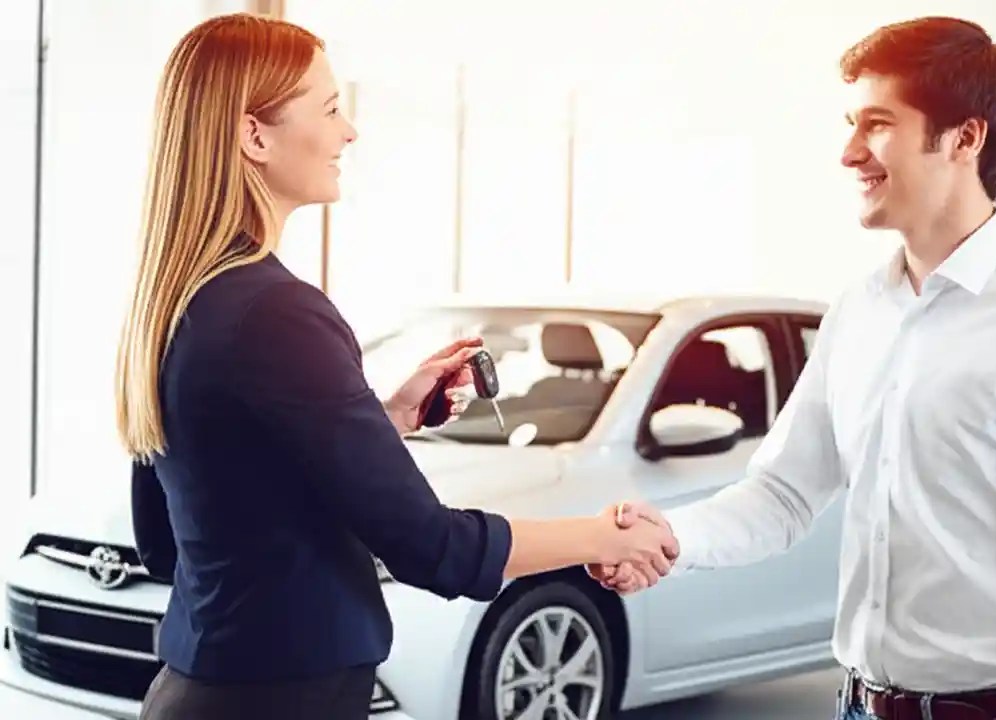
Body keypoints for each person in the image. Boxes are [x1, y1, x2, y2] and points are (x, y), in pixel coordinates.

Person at [114, 14, 676, 720]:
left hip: (196, 690)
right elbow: (430, 547)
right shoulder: (278, 313)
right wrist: (600, 535)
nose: (349, 131)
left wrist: (383, 422)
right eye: (329, 108)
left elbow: (173, 541)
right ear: (255, 135)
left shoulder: (181, 303)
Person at [589, 16, 996, 720]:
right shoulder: (857, 312)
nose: (850, 153)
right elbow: (784, 494)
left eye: (876, 124)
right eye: (850, 124)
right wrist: (674, 536)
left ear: (965, 138)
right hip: (859, 705)